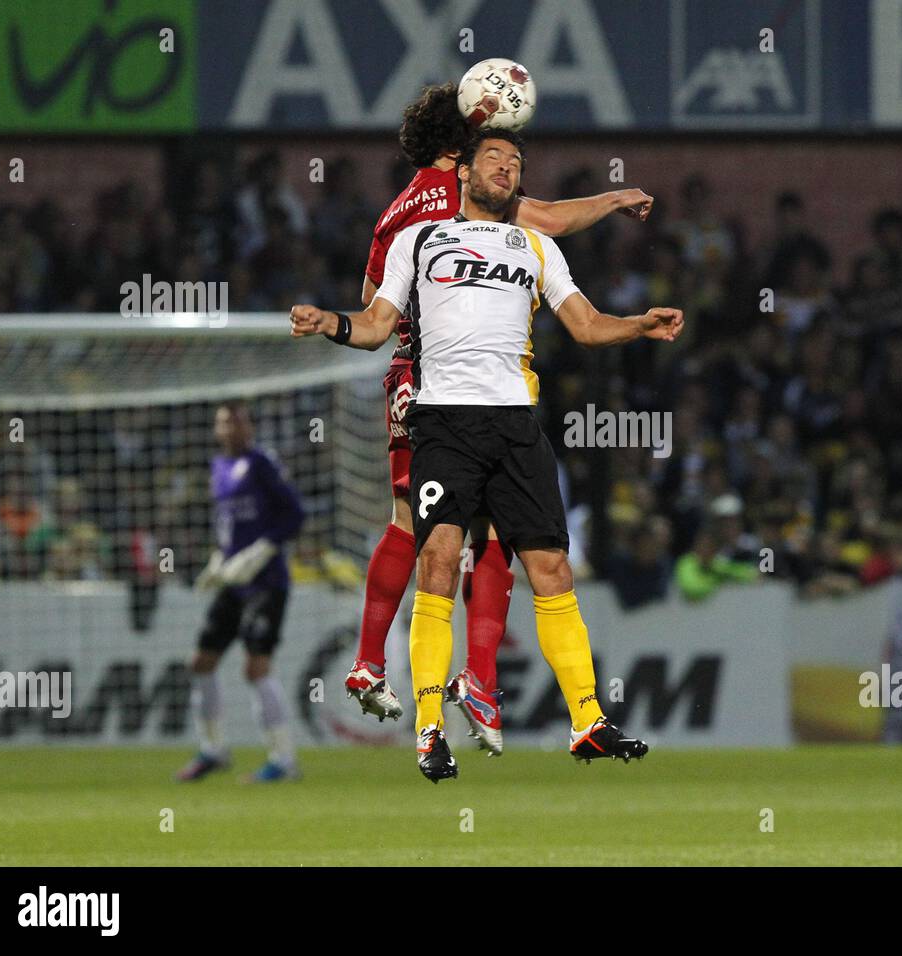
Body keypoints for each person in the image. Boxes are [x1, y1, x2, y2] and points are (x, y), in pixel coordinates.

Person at [290, 128, 683, 781]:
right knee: (440, 562)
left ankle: (587, 721)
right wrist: (328, 323)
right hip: (444, 422)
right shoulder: (421, 240)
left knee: (552, 569)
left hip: (516, 425)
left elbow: (585, 325)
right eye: (494, 157)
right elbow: (377, 325)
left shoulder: (535, 244)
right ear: (463, 173)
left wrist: (637, 324)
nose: (507, 165)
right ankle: (428, 730)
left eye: (517, 160)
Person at [176, 403, 306, 783]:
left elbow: (294, 514)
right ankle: (213, 749)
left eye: (238, 419)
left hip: (267, 584)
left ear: (249, 425)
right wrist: (218, 560)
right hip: (234, 583)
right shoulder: (217, 468)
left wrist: (262, 550)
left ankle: (283, 759)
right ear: (216, 428)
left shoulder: (262, 463)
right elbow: (229, 525)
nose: (232, 427)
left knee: (256, 667)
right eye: (224, 421)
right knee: (200, 661)